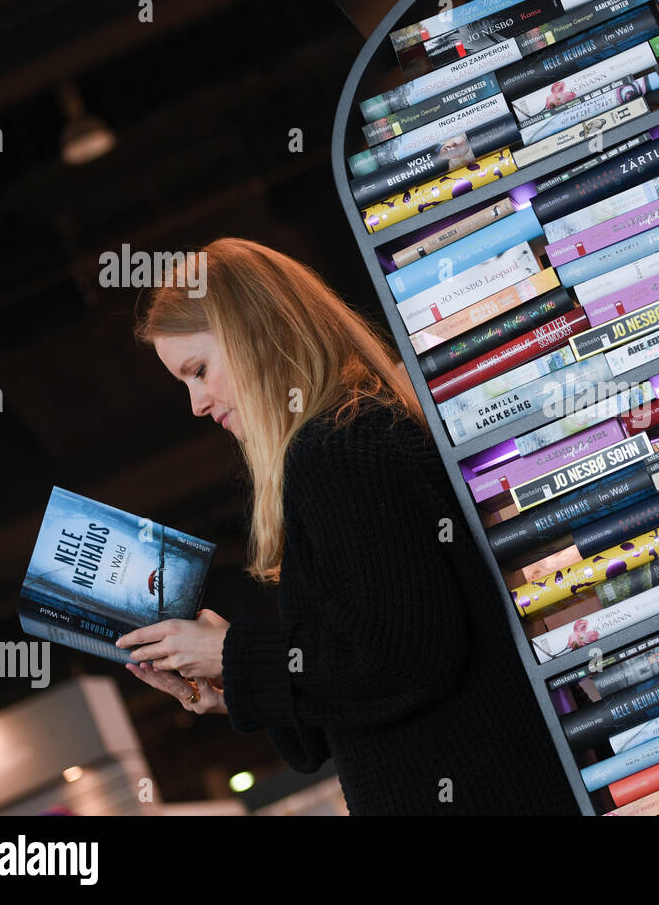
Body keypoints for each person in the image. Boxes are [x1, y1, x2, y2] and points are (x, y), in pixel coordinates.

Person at [119, 238, 579, 816]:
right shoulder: (357, 428)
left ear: (255, 331)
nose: (196, 404)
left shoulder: (336, 447)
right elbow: (368, 681)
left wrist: (236, 652)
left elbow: (403, 654)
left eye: (199, 370)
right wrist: (232, 679)